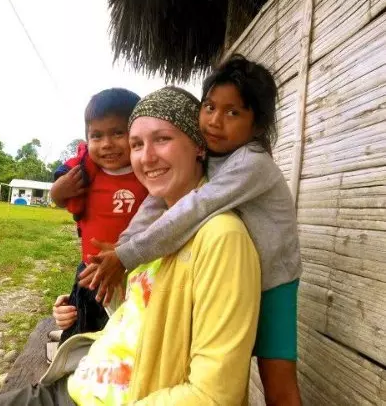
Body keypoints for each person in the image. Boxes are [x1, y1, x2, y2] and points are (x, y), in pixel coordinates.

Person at [0, 86, 261, 405]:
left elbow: (214, 395)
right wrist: (79, 304)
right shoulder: (154, 224)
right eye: (137, 144)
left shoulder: (222, 237)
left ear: (199, 146)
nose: (146, 156)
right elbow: (138, 315)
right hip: (80, 384)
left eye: (162, 139)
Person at [82, 56, 302, 405]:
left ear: (257, 124)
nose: (215, 121)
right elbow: (156, 205)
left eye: (233, 113)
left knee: (278, 387)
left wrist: (126, 256)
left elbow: (195, 207)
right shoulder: (214, 156)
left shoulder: (251, 164)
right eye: (210, 106)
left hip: (273, 281)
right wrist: (122, 248)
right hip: (236, 275)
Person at [50, 88, 148, 341]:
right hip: (90, 271)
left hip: (135, 272)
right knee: (79, 332)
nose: (107, 144)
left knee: (127, 338)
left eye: (118, 133)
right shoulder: (84, 170)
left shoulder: (148, 171)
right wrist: (58, 191)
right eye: (97, 135)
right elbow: (60, 195)